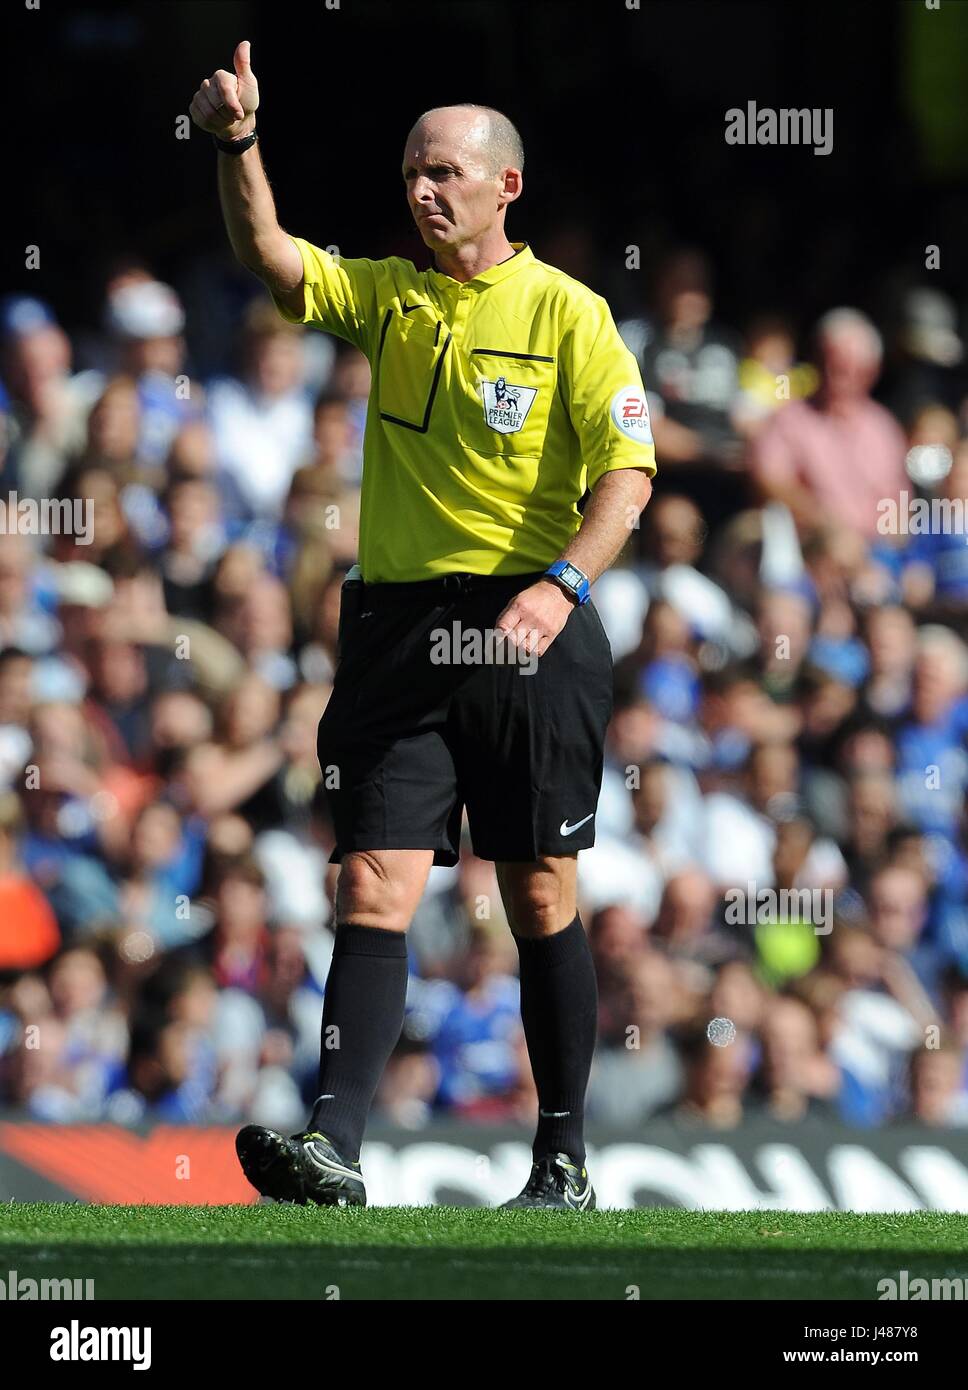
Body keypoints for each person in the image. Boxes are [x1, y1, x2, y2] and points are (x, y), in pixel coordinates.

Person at [190, 40, 655, 1210]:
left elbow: (629, 474)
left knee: (538, 889)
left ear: (506, 186)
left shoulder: (568, 313)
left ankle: (561, 1157)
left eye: (443, 171)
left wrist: (561, 583)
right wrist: (239, 142)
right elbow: (268, 254)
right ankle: (333, 1147)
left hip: (527, 620)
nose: (419, 189)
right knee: (368, 883)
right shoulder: (387, 295)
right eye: (409, 171)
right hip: (398, 627)